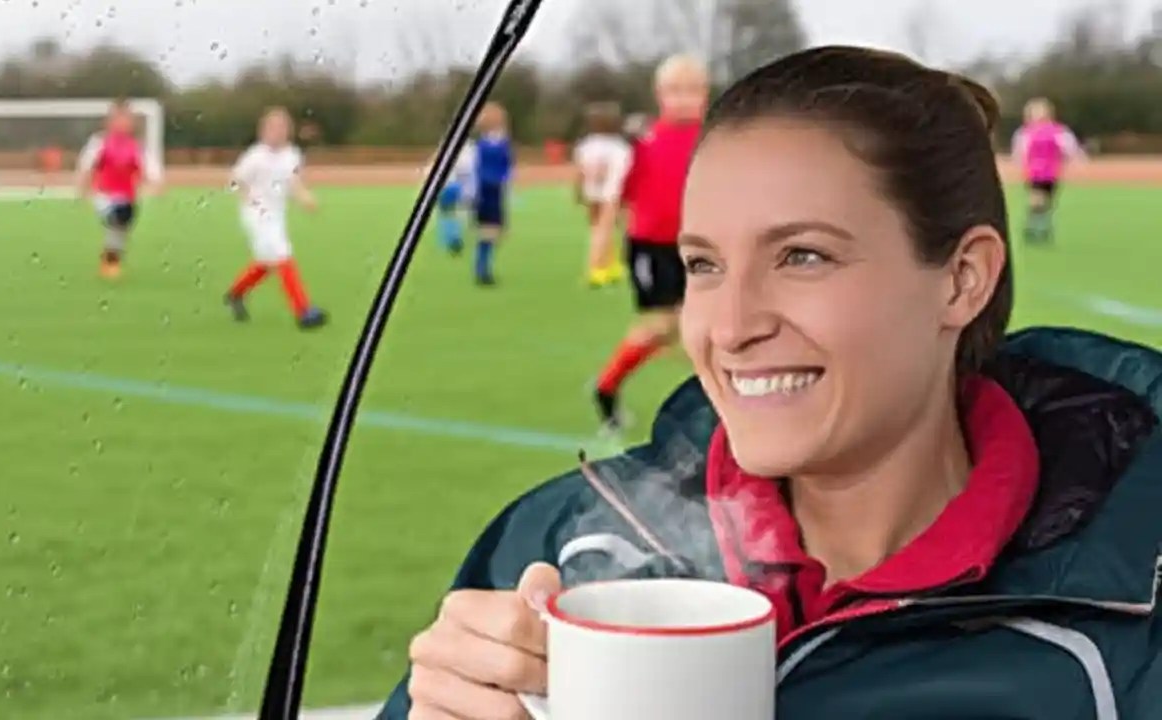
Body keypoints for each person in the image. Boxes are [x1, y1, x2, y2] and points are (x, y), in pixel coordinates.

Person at [380, 46, 1162, 719]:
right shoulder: (565, 544)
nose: (730, 326)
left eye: (802, 256)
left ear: (962, 279)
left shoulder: (1130, 608)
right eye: (704, 266)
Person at [592, 54, 709, 432]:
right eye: (675, 91)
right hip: (653, 247)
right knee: (665, 326)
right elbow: (615, 200)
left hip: (704, 247)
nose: (684, 99)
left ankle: (719, 408)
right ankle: (607, 386)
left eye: (692, 91)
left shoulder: (716, 139)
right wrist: (600, 244)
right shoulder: (643, 144)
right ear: (660, 95)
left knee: (703, 327)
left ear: (705, 95)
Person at [223, 106, 327, 330]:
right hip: (256, 214)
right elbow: (235, 179)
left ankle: (235, 293)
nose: (277, 132)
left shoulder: (292, 155)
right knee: (282, 254)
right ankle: (303, 310)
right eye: (273, 127)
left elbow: (294, 183)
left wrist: (305, 198)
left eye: (282, 127)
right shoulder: (255, 156)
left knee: (267, 261)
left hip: (277, 214)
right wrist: (248, 197)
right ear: (263, 130)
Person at [76, 99, 161, 279]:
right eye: (118, 118)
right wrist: (82, 188)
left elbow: (148, 170)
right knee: (118, 218)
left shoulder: (137, 146)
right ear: (110, 121)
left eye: (126, 119)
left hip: (127, 196)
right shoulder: (99, 142)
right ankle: (111, 259)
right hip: (104, 195)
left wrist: (156, 184)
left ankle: (110, 259)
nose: (123, 123)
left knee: (119, 231)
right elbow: (87, 166)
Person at [573, 101, 633, 288]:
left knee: (597, 229)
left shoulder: (585, 145)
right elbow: (626, 171)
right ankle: (596, 268)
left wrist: (577, 190)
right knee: (605, 230)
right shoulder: (619, 146)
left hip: (591, 191)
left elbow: (579, 171)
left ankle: (610, 264)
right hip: (611, 191)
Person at [1011, 97, 1083, 244]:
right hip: (1034, 172)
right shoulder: (1026, 132)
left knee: (1046, 202)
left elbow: (1069, 147)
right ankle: (1034, 228)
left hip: (1051, 172)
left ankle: (1041, 227)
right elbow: (1020, 150)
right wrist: (1019, 162)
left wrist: (1074, 159)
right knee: (1037, 200)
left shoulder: (1058, 131)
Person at [472, 102, 513, 286]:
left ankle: (482, 267)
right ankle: (483, 269)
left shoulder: (480, 145)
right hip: (491, 189)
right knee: (491, 231)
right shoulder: (499, 144)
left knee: (488, 231)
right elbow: (506, 166)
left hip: (485, 189)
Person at [434, 146, 476, 256]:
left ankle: (448, 240)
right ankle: (455, 237)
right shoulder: (470, 151)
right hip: (457, 187)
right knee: (455, 213)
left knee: (445, 214)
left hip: (446, 186)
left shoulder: (448, 149)